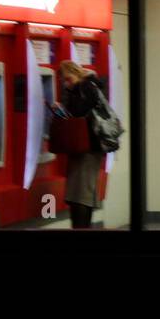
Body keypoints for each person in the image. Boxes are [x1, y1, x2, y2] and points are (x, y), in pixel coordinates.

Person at [54, 60, 108, 229]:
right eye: (64, 81)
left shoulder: (87, 87)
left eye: (68, 79)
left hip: (89, 148)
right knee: (81, 194)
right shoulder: (82, 88)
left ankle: (81, 228)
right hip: (82, 146)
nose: (66, 83)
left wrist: (66, 104)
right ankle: (82, 227)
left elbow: (79, 113)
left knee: (81, 195)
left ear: (76, 73)